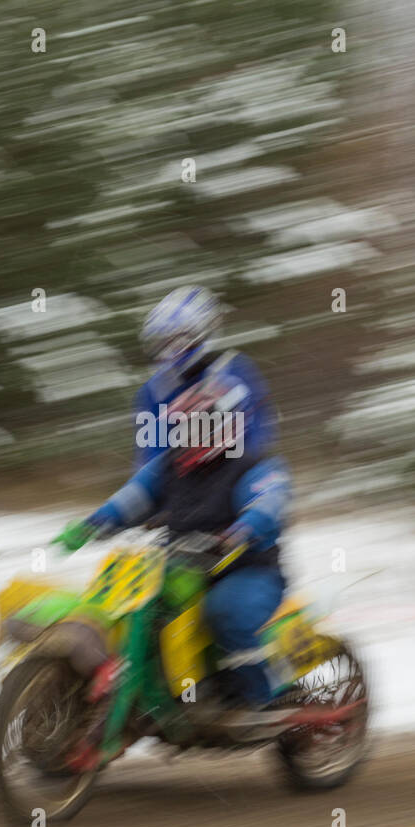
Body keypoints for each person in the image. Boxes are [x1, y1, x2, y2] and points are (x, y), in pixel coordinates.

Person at [56, 373, 290, 715]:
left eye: (196, 426)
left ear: (222, 426)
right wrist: (93, 524)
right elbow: (133, 499)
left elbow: (268, 502)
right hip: (182, 565)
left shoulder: (253, 466)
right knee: (131, 609)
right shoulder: (168, 467)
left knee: (227, 613)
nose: (186, 436)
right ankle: (162, 692)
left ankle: (264, 698)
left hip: (244, 570)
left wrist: (240, 531)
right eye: (181, 427)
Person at [132, 285, 276, 470]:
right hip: (181, 485)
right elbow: (150, 459)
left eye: (178, 341)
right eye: (162, 343)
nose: (169, 352)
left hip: (236, 474)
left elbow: (258, 438)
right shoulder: (153, 391)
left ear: (201, 334)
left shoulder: (237, 370)